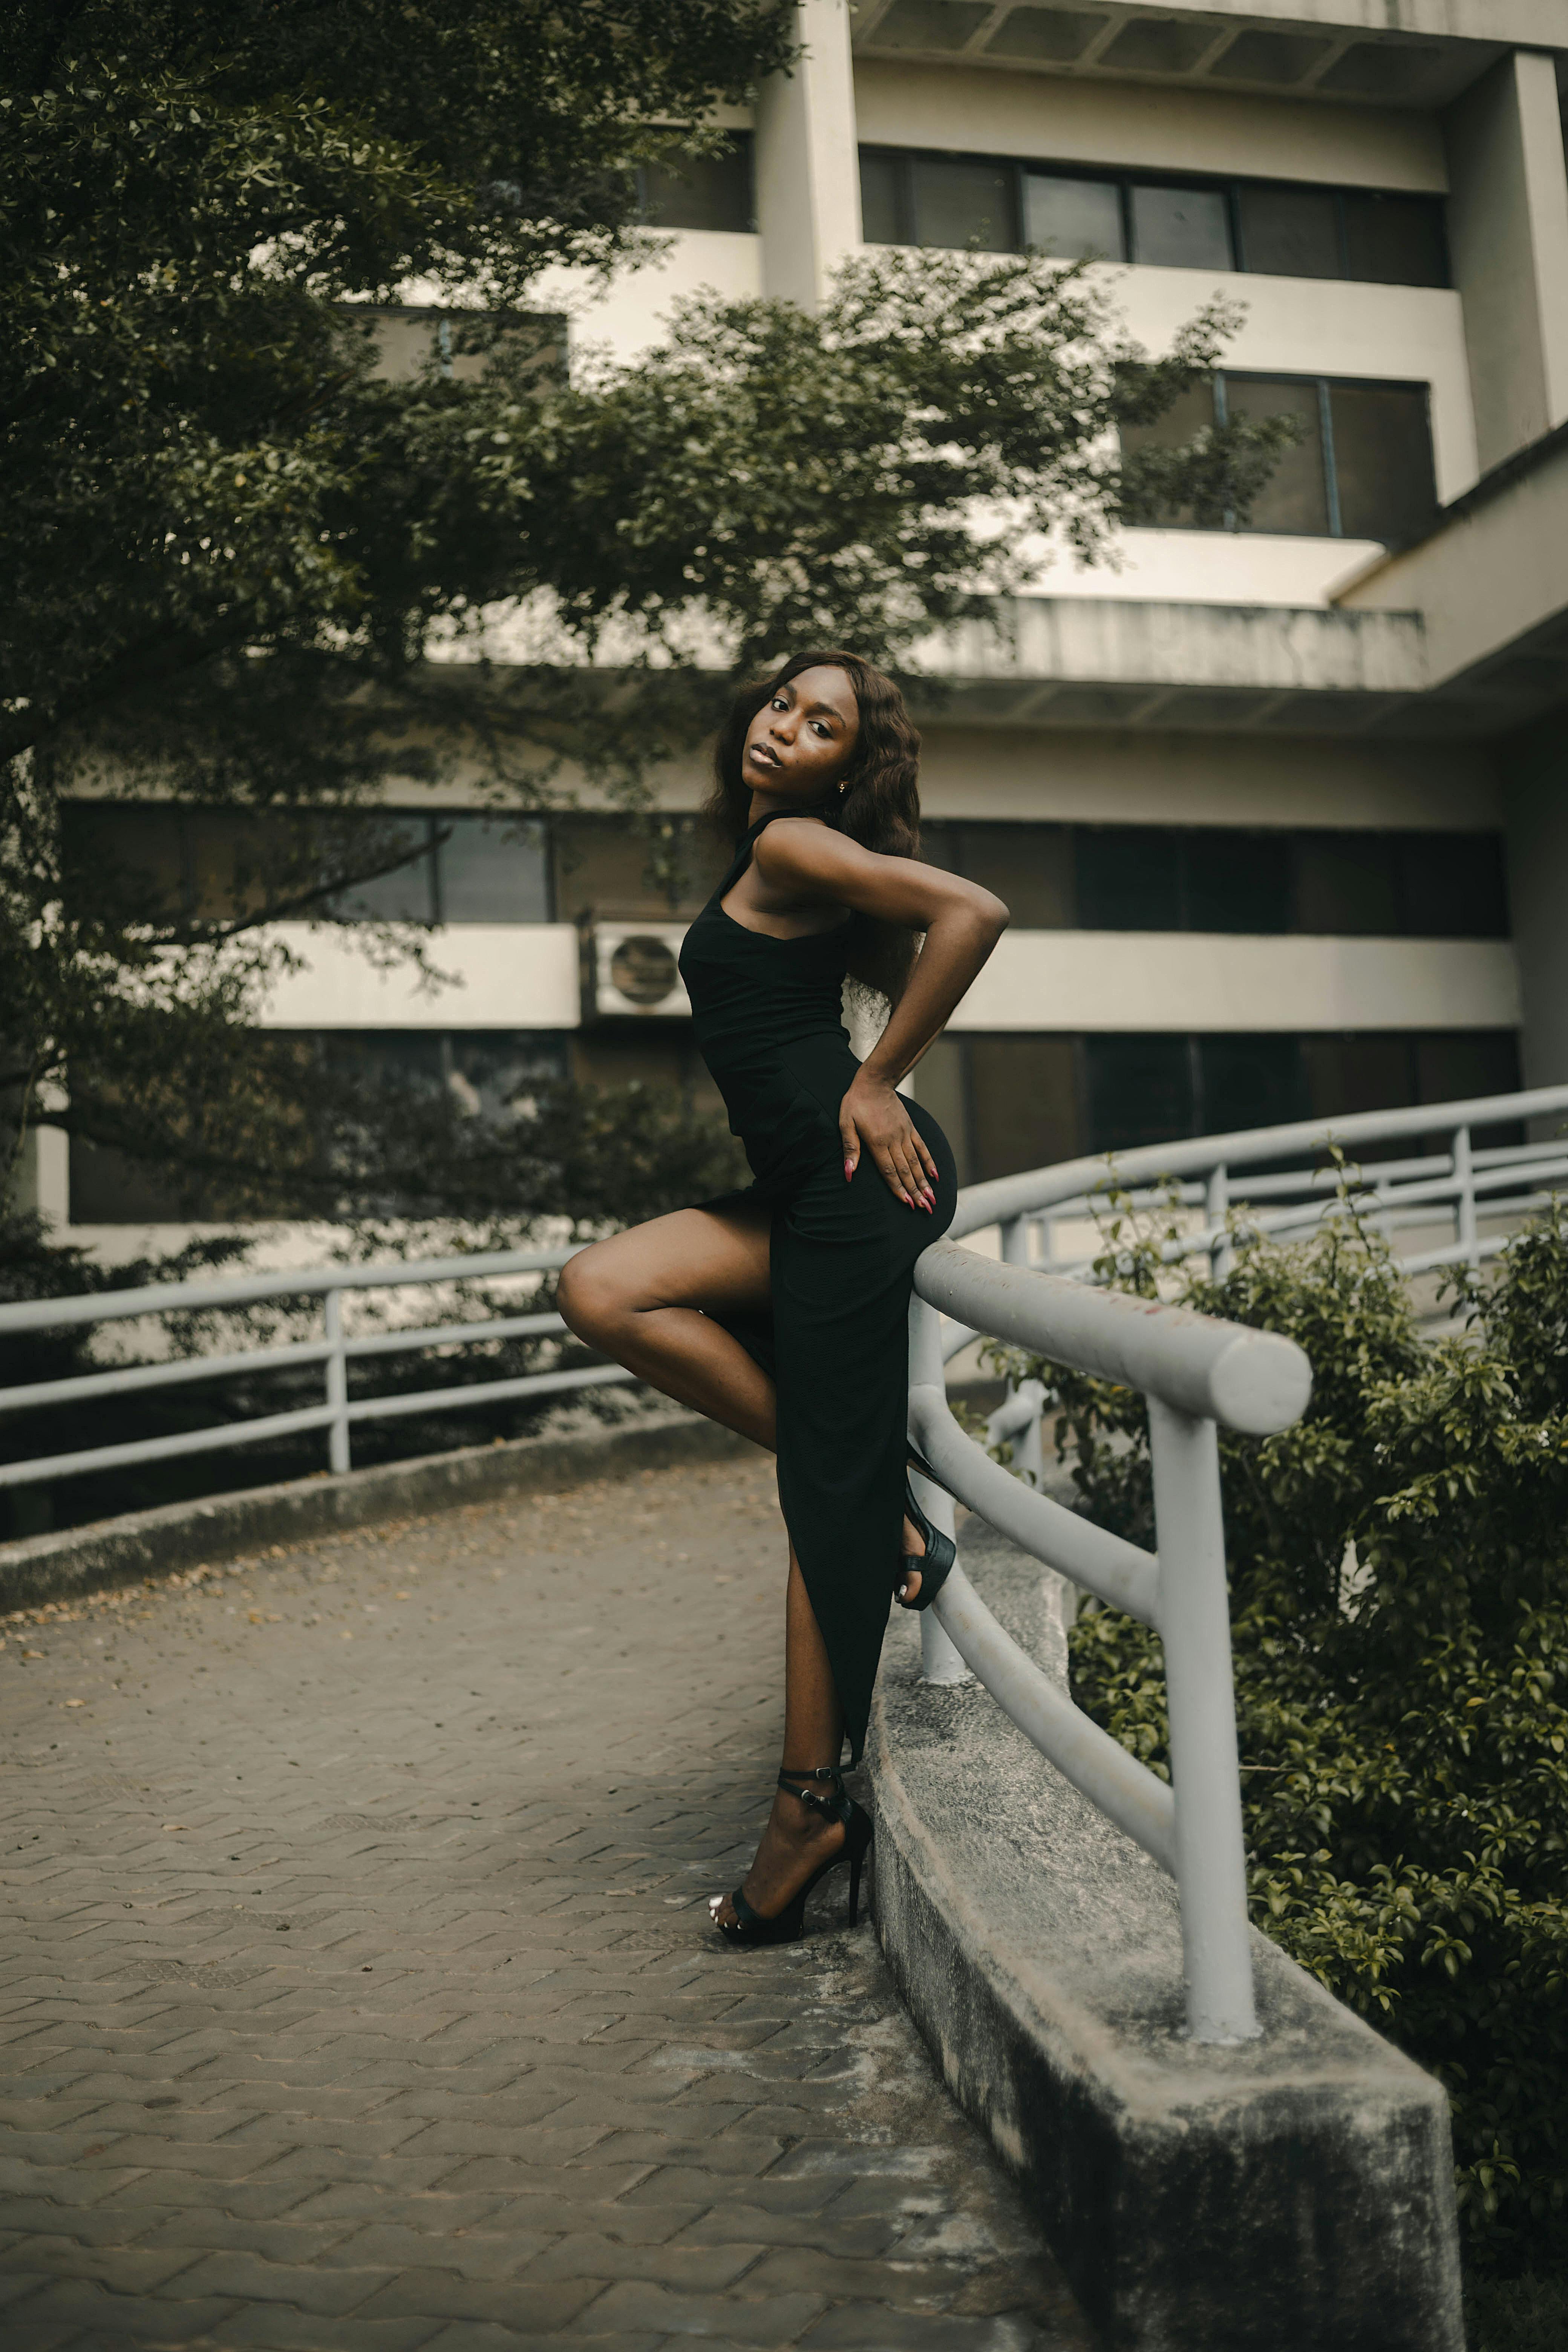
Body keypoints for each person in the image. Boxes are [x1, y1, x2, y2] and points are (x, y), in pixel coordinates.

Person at [557, 650, 1008, 1944]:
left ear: (843, 769)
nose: (784, 729)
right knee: (603, 1289)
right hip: (809, 1189)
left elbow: (972, 913)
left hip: (858, 1183)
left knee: (817, 1500)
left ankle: (811, 1810)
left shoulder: (801, 845)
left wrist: (879, 1080)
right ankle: (876, 1496)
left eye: (822, 726)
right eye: (780, 704)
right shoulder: (771, 846)